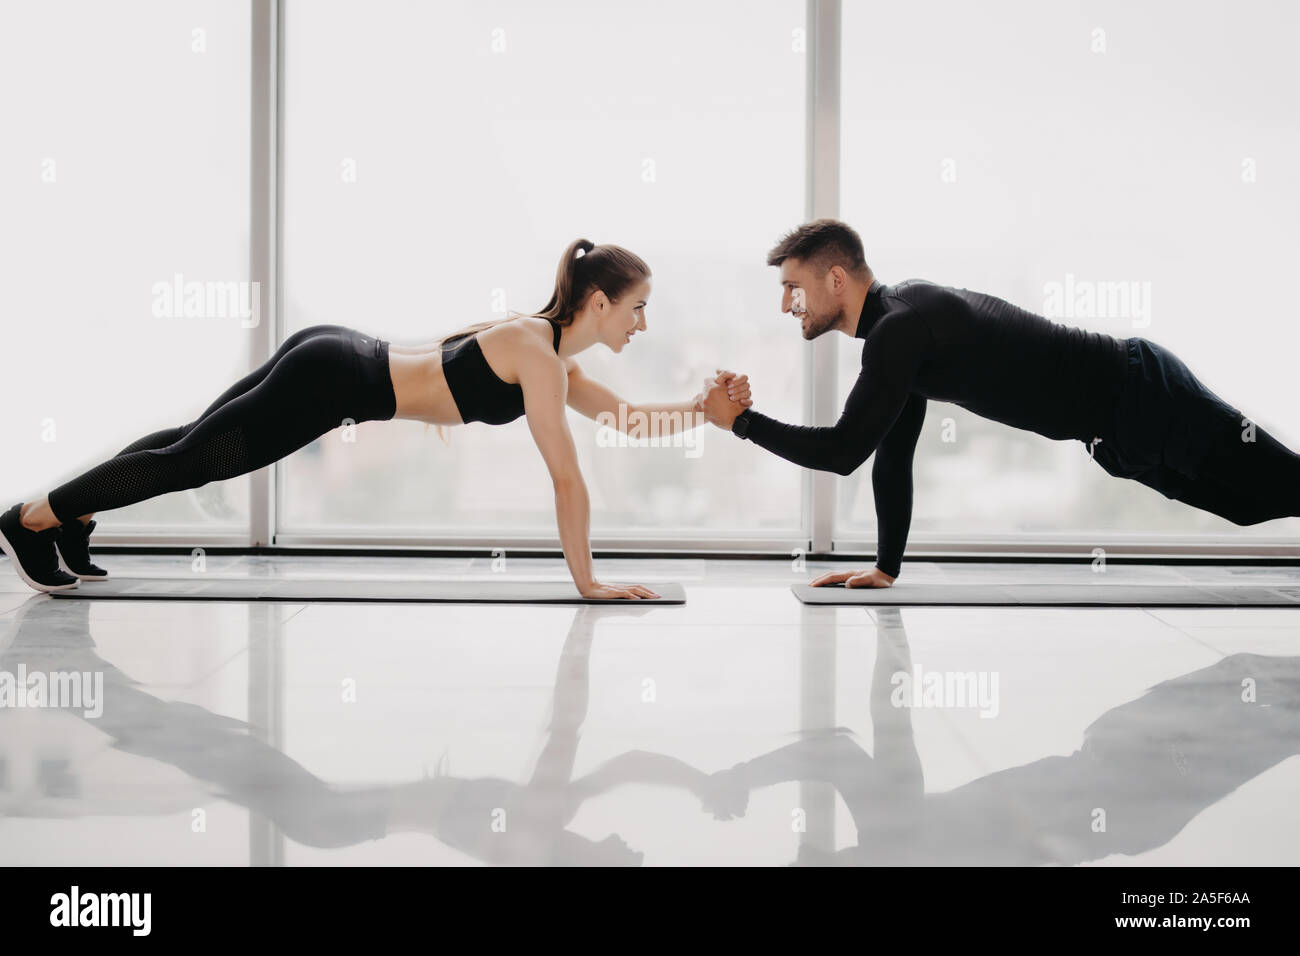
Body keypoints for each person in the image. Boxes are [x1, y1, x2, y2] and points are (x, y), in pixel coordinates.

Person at [0, 239, 750, 596]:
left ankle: (74, 518)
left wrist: (699, 412)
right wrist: (588, 581)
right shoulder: (539, 357)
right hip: (331, 380)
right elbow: (568, 479)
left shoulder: (552, 357)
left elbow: (623, 420)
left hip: (335, 359)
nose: (642, 325)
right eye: (638, 309)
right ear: (599, 303)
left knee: (188, 441)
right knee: (193, 458)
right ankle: (32, 517)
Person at [695, 218, 1300, 588]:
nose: (785, 307)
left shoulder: (898, 329)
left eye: (791, 289)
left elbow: (844, 451)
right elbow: (889, 454)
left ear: (834, 280)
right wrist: (887, 567)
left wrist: (742, 423)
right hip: (1117, 432)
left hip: (1144, 393)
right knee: (1249, 508)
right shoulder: (897, 331)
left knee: (1284, 484)